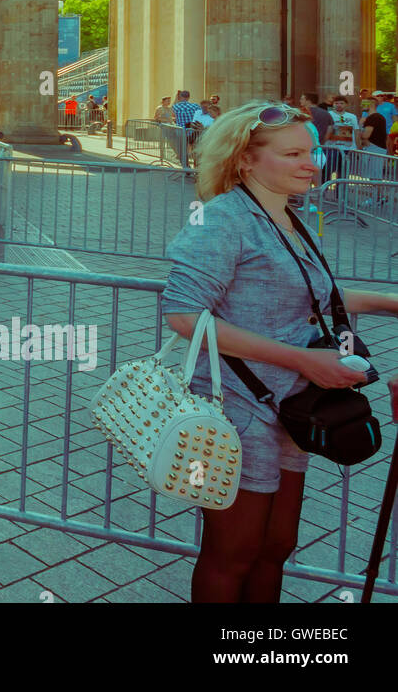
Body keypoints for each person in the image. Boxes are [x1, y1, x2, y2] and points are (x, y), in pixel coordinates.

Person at [161, 102, 398, 602]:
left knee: (276, 546)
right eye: (293, 153)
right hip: (237, 409)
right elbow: (184, 315)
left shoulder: (291, 216)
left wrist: (388, 303)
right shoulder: (221, 220)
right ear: (246, 160)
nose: (312, 162)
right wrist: (304, 360)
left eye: (311, 150)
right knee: (234, 554)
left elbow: (312, 294)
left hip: (291, 405)